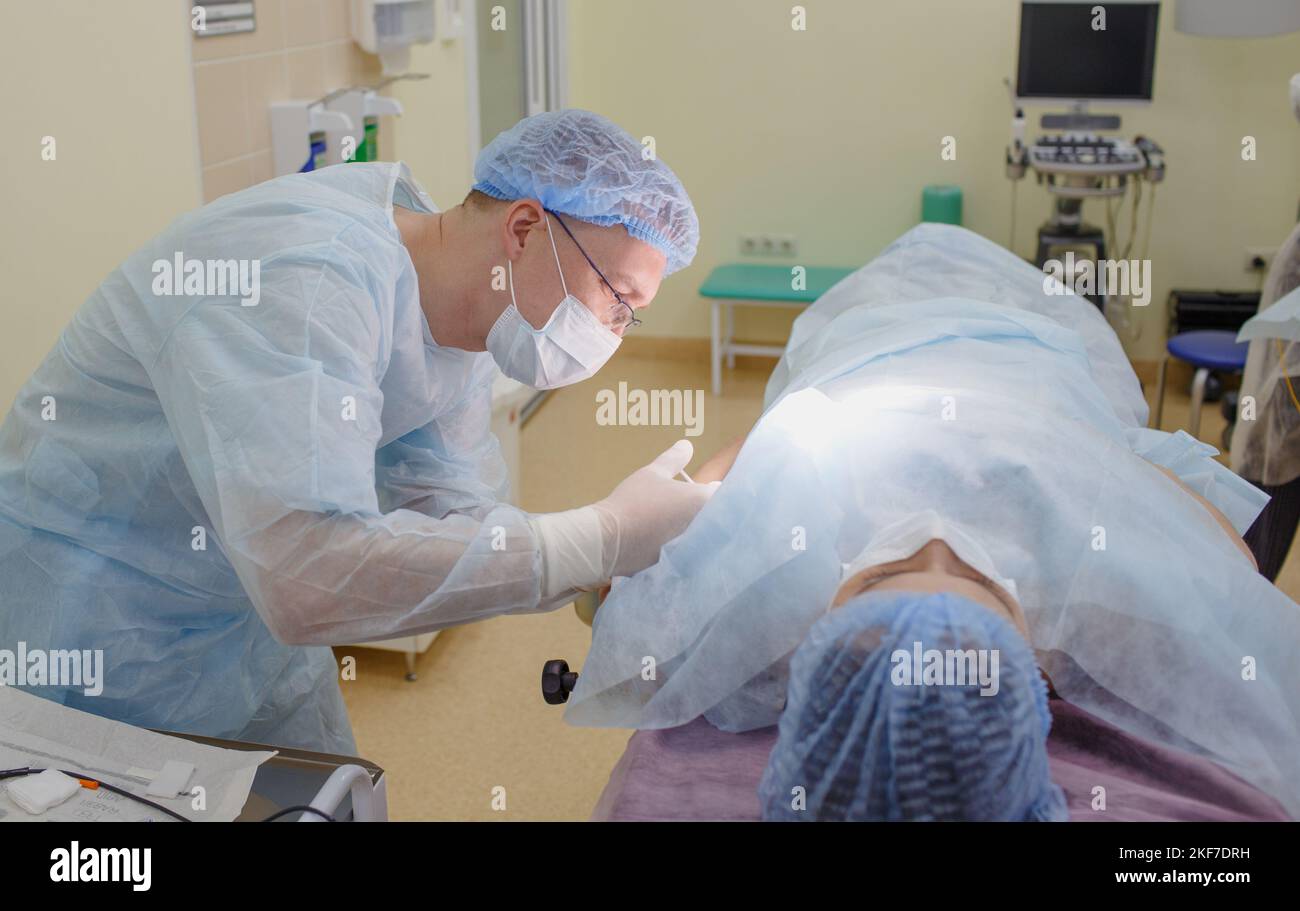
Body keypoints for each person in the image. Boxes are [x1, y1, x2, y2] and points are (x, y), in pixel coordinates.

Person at [0, 109, 712, 754]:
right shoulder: (308, 279)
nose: (612, 332)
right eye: (616, 300)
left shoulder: (458, 316)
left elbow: (444, 504)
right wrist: (597, 535)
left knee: (329, 795)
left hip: (236, 622)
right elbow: (304, 572)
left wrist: (599, 562)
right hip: (93, 621)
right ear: (523, 229)